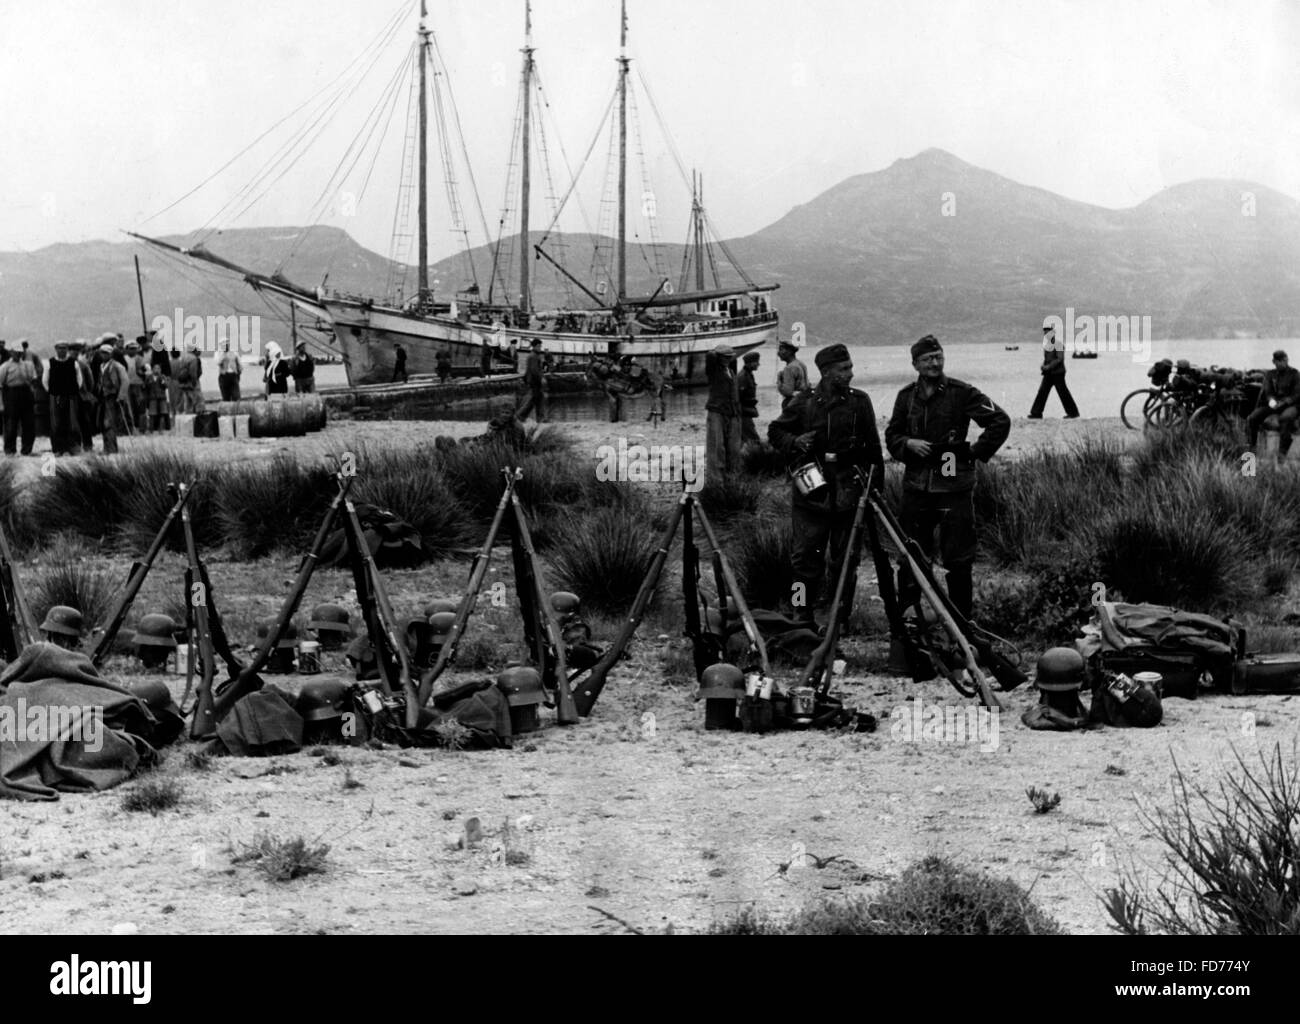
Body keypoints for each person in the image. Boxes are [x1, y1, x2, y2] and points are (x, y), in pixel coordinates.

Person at [884, 334, 1010, 622]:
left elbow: (999, 420)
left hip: (953, 484)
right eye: (927, 359)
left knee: (959, 558)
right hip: (917, 485)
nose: (935, 363)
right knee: (911, 554)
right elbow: (892, 436)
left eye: (939, 357)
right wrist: (908, 445)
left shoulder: (961, 392)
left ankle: (961, 621)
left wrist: (976, 452)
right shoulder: (906, 397)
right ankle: (908, 620)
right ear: (915, 364)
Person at [768, 343, 885, 629]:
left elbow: (873, 451)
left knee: (846, 562)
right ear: (826, 372)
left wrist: (875, 492)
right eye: (844, 369)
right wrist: (794, 443)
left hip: (850, 493)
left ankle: (839, 618)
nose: (851, 374)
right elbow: (775, 430)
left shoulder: (860, 402)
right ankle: (801, 616)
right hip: (811, 494)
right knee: (804, 561)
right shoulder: (805, 401)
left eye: (851, 367)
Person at [1246, 349, 1300, 457]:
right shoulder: (1270, 374)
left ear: (1286, 360)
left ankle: (1282, 454)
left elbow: (1297, 394)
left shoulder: (1295, 374)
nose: (1282, 363)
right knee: (1252, 418)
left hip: (1291, 405)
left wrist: (1284, 402)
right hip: (1273, 404)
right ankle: (1252, 448)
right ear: (1274, 362)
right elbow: (1268, 391)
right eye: (1279, 361)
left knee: (1285, 419)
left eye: (1284, 360)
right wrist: (1271, 400)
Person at [43, 341, 87, 457]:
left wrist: (73, 390)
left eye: (64, 348)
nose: (62, 350)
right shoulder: (49, 363)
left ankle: (73, 448)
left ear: (67, 349)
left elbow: (79, 379)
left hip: (71, 396)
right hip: (55, 397)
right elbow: (45, 380)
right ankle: (58, 448)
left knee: (72, 422)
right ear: (56, 349)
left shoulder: (74, 363)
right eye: (59, 348)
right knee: (56, 423)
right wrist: (52, 392)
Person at [704, 344, 741, 478]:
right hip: (716, 411)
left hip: (731, 412)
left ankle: (730, 475)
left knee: (733, 447)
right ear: (718, 358)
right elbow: (709, 355)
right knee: (716, 446)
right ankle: (715, 478)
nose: (727, 359)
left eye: (729, 357)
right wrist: (717, 351)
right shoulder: (713, 371)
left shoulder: (731, 372)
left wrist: (737, 412)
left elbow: (734, 360)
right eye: (724, 357)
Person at [1028, 325, 1079, 419]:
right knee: (1042, 391)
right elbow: (1047, 359)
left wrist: (1049, 366)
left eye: (1048, 332)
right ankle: (1036, 413)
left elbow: (1060, 359)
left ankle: (1073, 413)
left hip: (1058, 373)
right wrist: (1043, 366)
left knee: (1063, 392)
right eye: (1045, 333)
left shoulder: (1058, 344)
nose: (1046, 335)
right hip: (1049, 373)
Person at [0, 348, 36, 455]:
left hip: (26, 394)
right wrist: (1, 403)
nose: (18, 354)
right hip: (11, 394)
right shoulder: (5, 366)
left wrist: (31, 394)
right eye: (16, 352)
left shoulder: (28, 365)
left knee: (29, 424)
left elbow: (32, 380)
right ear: (11, 352)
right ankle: (10, 451)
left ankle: (27, 450)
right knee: (11, 424)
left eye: (20, 353)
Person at [96, 341, 126, 454]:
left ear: (111, 354)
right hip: (103, 398)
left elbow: (125, 381)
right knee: (102, 424)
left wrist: (121, 396)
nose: (104, 355)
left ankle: (112, 449)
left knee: (109, 423)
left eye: (106, 353)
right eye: (102, 353)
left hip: (113, 398)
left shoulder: (117, 366)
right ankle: (106, 448)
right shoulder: (101, 366)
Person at [514, 338, 547, 423]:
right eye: (539, 346)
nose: (540, 348)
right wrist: (541, 378)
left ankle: (525, 416)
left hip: (532, 380)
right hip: (534, 381)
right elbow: (534, 370)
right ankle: (522, 415)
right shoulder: (533, 356)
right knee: (535, 399)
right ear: (535, 346)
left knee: (536, 399)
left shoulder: (532, 355)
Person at [174, 340, 205, 413]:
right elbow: (193, 373)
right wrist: (194, 383)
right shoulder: (193, 358)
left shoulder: (184, 357)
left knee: (188, 403)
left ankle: (189, 418)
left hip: (184, 383)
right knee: (198, 401)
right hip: (192, 384)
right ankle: (200, 418)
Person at [776, 340, 808, 411]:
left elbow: (787, 392)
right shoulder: (800, 364)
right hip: (804, 401)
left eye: (781, 350)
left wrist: (779, 380)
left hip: (793, 403)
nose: (778, 353)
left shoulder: (789, 368)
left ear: (789, 352)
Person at [738, 351, 762, 445]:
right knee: (754, 440)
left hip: (746, 412)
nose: (758, 364)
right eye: (757, 362)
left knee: (745, 440)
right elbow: (738, 397)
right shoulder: (743, 377)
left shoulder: (748, 375)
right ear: (750, 363)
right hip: (743, 413)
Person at [125, 338, 149, 431]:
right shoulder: (124, 359)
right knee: (130, 407)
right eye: (131, 348)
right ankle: (133, 427)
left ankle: (141, 427)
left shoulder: (140, 359)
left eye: (134, 348)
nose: (133, 350)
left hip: (138, 385)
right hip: (128, 385)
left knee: (140, 406)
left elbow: (146, 371)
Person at [145, 364, 171, 432]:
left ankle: (161, 429)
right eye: (155, 368)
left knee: (162, 413)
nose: (156, 370)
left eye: (158, 368)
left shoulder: (162, 377)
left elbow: (166, 386)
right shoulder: (149, 377)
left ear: (160, 370)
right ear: (152, 369)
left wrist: (163, 381)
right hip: (152, 397)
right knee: (152, 414)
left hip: (162, 397)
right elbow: (146, 387)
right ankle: (151, 429)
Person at [217, 338, 242, 402]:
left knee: (236, 396)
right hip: (224, 376)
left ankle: (236, 410)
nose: (226, 346)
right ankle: (227, 410)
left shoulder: (234, 353)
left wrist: (238, 374)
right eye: (224, 345)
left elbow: (239, 364)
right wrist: (224, 354)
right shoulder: (218, 353)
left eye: (227, 345)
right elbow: (218, 362)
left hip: (233, 375)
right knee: (225, 396)